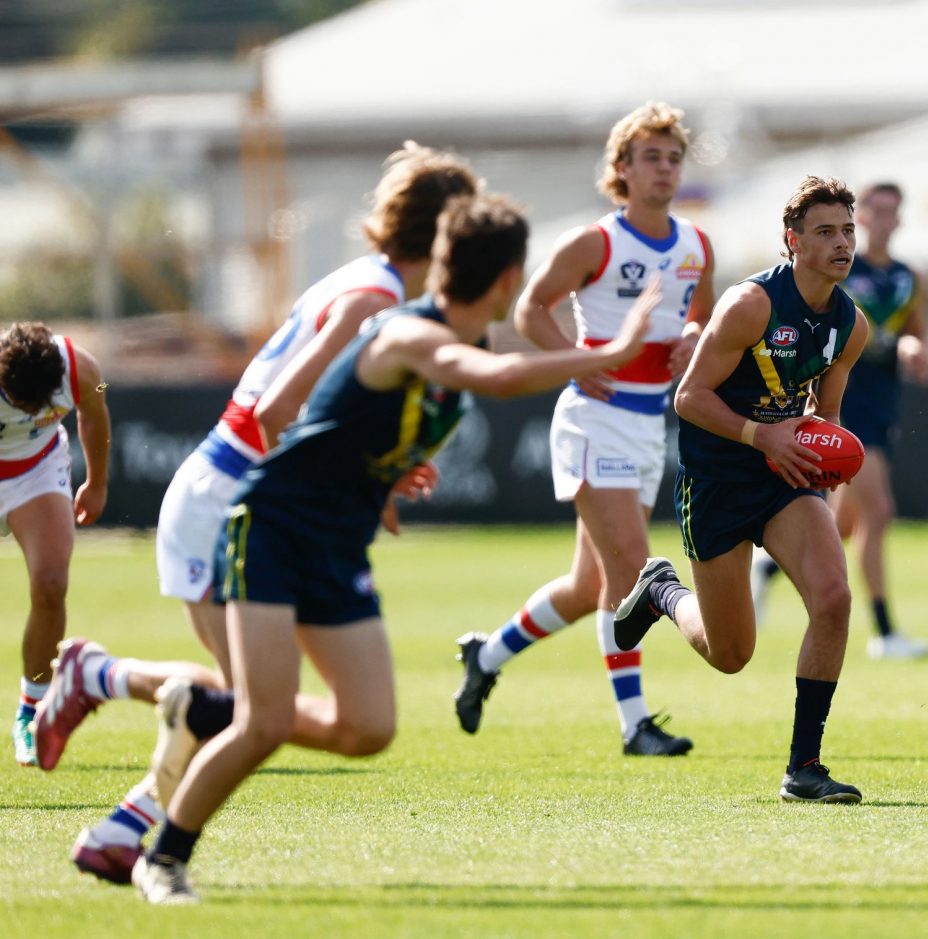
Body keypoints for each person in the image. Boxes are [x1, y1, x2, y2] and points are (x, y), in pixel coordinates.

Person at [131, 193, 662, 904]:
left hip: (336, 543)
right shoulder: (408, 333)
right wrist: (618, 349)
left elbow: (391, 409)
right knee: (264, 720)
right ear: (507, 279)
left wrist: (386, 468)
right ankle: (163, 856)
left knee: (368, 727)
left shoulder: (457, 337)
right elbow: (499, 379)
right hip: (272, 528)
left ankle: (200, 712)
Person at [33, 143, 480, 884]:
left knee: (251, 709)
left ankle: (123, 823)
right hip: (230, 498)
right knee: (253, 710)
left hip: (234, 493)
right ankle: (103, 684)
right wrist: (368, 468)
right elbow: (281, 413)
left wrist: (381, 471)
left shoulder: (364, 284)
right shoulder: (377, 301)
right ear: (442, 234)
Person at [452, 102, 714, 756]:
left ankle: (486, 655)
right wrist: (577, 360)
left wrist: (691, 337)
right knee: (633, 570)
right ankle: (635, 725)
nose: (664, 169)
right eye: (650, 157)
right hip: (594, 418)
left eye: (673, 157)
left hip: (649, 423)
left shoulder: (696, 245)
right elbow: (529, 307)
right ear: (620, 168)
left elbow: (698, 315)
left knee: (587, 588)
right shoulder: (597, 241)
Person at [609, 176, 870, 804]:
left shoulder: (851, 325)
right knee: (729, 655)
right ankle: (662, 592)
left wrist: (825, 465)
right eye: (826, 232)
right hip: (718, 480)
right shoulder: (752, 304)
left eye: (848, 230)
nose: (842, 243)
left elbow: (826, 412)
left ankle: (804, 767)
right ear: (793, 241)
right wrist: (764, 437)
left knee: (832, 599)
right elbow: (689, 398)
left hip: (784, 479)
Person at [750, 181, 928, 660]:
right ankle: (886, 632)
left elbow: (913, 336)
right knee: (879, 513)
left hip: (883, 401)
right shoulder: (838, 269)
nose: (883, 219)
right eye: (875, 210)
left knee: (846, 523)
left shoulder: (908, 278)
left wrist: (915, 351)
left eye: (893, 210)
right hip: (842, 402)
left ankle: (766, 568)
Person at [0, 322, 109, 765]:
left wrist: (97, 484)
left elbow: (96, 411)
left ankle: (32, 711)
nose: (38, 411)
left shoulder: (84, 368)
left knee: (50, 585)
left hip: (36, 468)